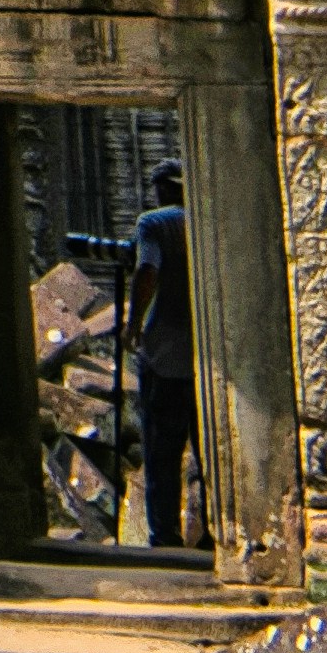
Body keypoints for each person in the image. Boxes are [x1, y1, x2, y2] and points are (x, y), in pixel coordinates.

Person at [123, 164, 200, 550]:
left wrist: (133, 322)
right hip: (207, 361)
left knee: (162, 452)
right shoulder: (205, 221)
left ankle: (165, 535)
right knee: (208, 456)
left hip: (164, 356)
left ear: (160, 190)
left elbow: (146, 271)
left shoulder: (153, 224)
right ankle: (210, 534)